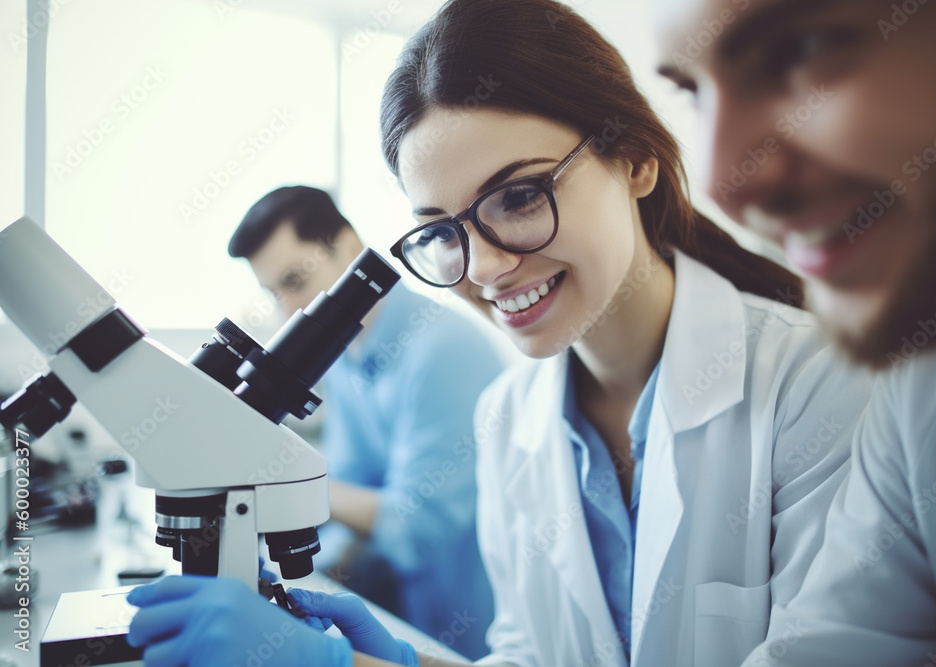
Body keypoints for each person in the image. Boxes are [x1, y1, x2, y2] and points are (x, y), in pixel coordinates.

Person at [126, 2, 872, 665]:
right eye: (444, 231)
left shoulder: (818, 387)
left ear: (637, 158)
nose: (484, 266)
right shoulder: (510, 419)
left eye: (519, 196)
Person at [653, 1, 936, 665]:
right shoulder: (925, 375)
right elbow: (833, 645)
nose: (724, 182)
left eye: (803, 49)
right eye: (693, 90)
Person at [227, 186, 503, 659]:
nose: (287, 311)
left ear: (350, 248)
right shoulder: (347, 360)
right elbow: (350, 491)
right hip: (404, 621)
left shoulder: (442, 350)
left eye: (295, 280)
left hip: (468, 638)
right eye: (274, 293)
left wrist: (280, 478)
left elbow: (416, 530)